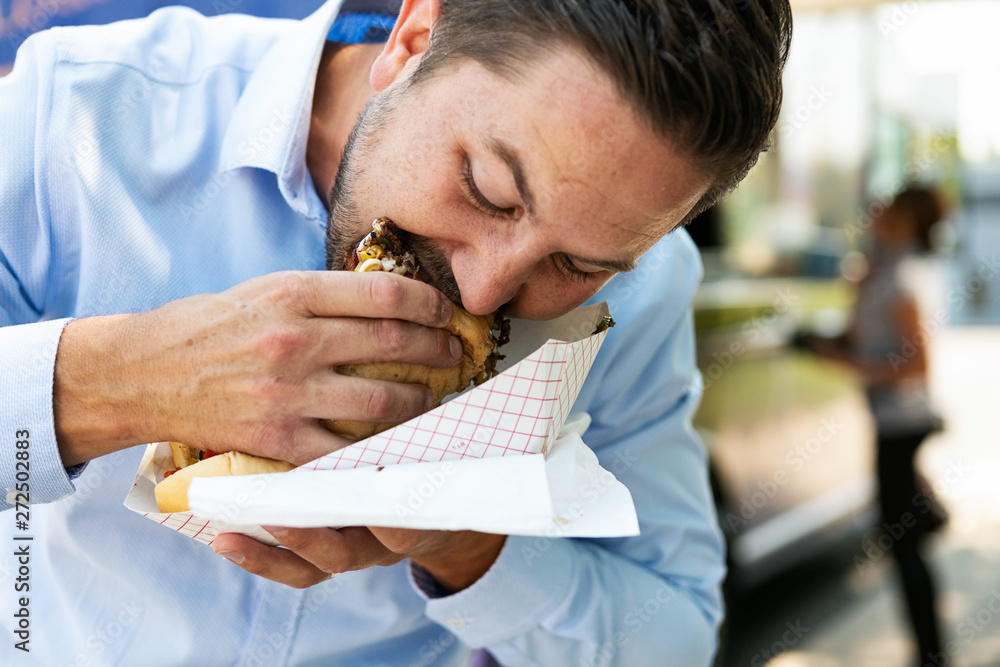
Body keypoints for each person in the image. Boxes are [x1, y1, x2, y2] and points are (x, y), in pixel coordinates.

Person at [0, 0, 791, 664]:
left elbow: (677, 632)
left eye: (577, 264)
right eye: (487, 188)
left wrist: (466, 548)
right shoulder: (77, 111)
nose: (486, 287)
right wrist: (118, 379)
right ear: (414, 37)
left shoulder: (644, 288)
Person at [810, 186, 949, 666]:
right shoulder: (882, 269)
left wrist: (849, 363)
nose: (877, 213)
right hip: (889, 422)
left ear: (907, 218)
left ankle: (931, 653)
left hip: (902, 423)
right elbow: (857, 333)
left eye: (889, 208)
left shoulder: (904, 278)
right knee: (901, 533)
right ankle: (927, 510)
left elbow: (917, 366)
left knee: (901, 542)